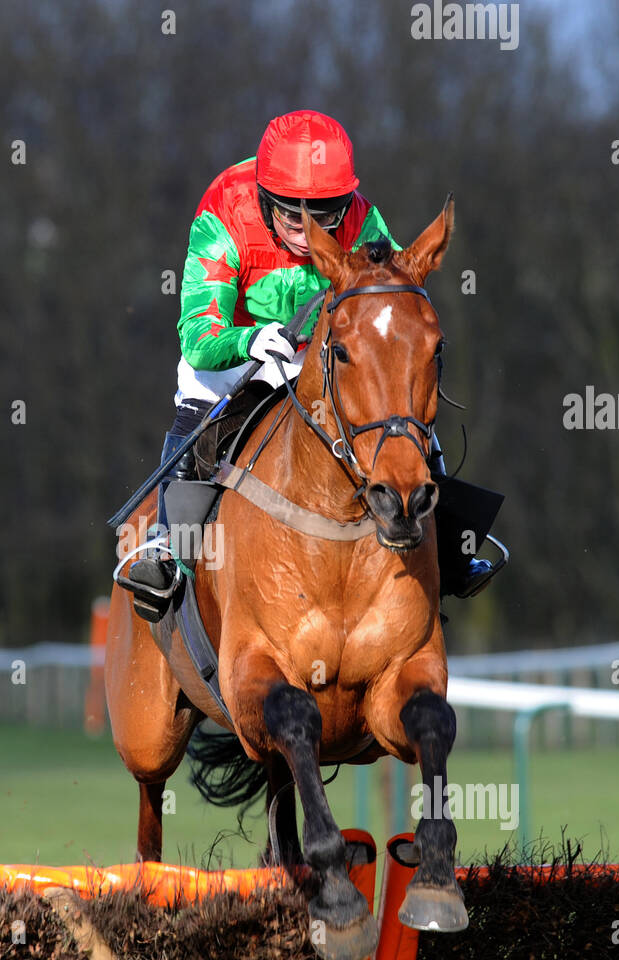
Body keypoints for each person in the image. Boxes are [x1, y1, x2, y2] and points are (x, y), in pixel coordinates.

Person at [118, 110, 505, 620]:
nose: (310, 232)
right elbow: (197, 337)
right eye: (293, 215)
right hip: (236, 347)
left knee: (402, 419)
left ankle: (454, 549)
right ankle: (166, 548)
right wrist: (253, 339)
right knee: (200, 403)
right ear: (263, 198)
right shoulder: (224, 210)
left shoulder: (364, 220)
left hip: (326, 352)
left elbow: (384, 307)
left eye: (327, 215)